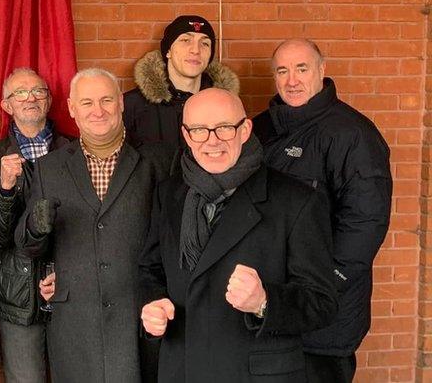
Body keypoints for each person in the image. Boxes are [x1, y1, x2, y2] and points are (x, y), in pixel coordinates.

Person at [139, 88, 337, 382]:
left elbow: (323, 303)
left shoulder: (297, 200)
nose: (212, 141)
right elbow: (150, 269)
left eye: (224, 128)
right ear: (185, 134)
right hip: (183, 370)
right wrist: (153, 303)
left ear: (245, 130)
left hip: (252, 374)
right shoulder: (169, 194)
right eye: (199, 130)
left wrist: (264, 302)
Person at [253, 39, 392, 382]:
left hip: (324, 318)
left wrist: (326, 286)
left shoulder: (351, 134)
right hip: (273, 305)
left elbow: (365, 221)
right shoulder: (259, 128)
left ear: (321, 70)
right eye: (282, 71)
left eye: (302, 69)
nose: (292, 80)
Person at [14, 68, 160, 383]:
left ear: (121, 103)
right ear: (71, 108)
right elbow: (27, 246)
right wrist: (37, 228)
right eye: (88, 102)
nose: (98, 111)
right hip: (74, 324)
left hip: (136, 317)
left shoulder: (154, 163)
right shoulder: (48, 169)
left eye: (106, 100)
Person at [0, 68, 72, 383]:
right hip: (18, 294)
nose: (30, 98)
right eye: (20, 93)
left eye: (38, 91)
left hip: (70, 285)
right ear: (7, 105)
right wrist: (5, 189)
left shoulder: (74, 151)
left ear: (49, 100)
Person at [123, 14, 238, 153]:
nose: (195, 50)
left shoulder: (227, 105)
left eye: (205, 43)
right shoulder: (131, 106)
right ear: (168, 51)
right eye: (185, 40)